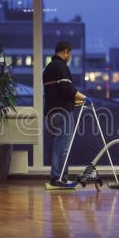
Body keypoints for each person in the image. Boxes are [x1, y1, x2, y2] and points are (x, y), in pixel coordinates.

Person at [43, 40, 88, 187]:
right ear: (66, 52)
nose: (69, 57)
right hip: (63, 113)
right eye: (70, 54)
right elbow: (68, 89)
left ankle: (57, 176)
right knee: (63, 147)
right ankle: (59, 177)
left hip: (51, 113)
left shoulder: (48, 68)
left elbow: (58, 92)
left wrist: (74, 101)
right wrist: (84, 98)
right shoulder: (61, 66)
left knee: (58, 145)